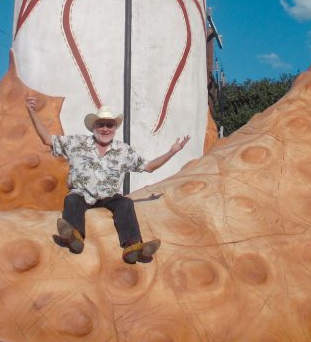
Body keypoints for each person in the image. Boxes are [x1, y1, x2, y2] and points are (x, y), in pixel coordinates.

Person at [26, 96, 189, 264]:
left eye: (109, 125)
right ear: (94, 127)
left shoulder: (123, 151)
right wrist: (32, 113)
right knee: (72, 199)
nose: (105, 128)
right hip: (82, 194)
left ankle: (132, 246)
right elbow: (48, 139)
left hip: (108, 197)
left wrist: (172, 151)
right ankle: (74, 237)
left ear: (115, 128)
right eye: (101, 124)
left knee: (125, 203)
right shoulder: (77, 143)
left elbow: (149, 167)